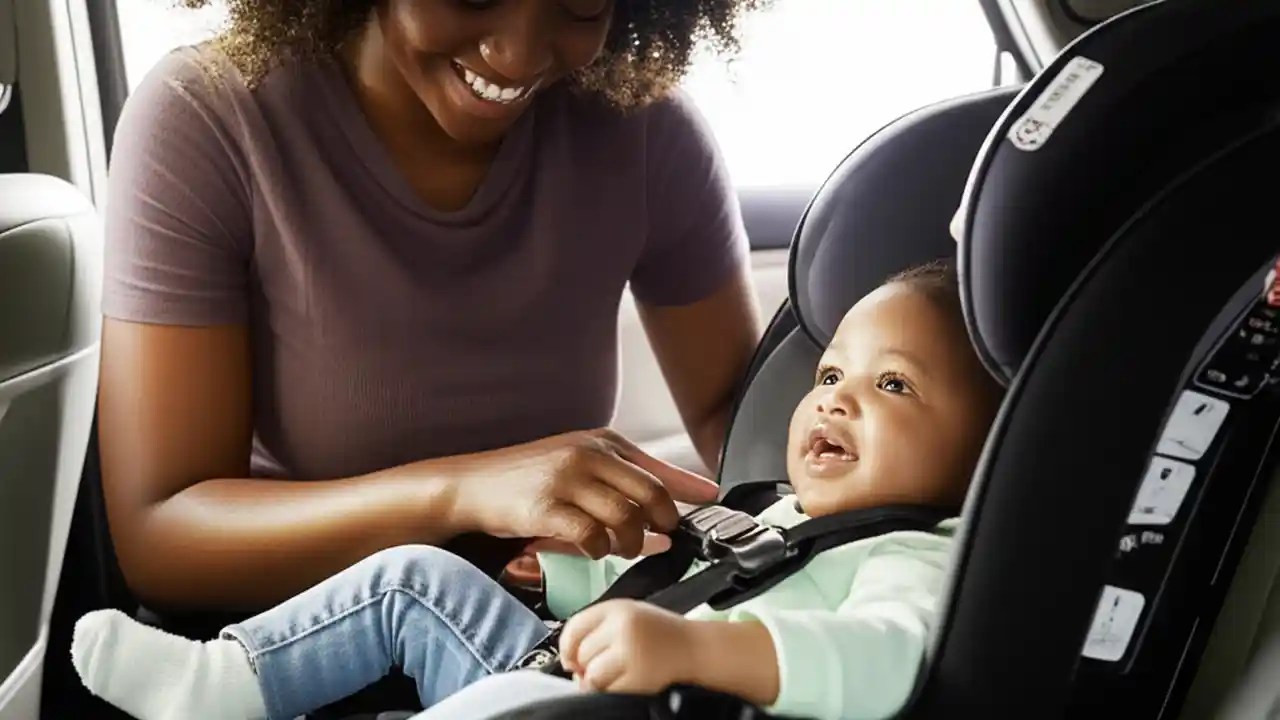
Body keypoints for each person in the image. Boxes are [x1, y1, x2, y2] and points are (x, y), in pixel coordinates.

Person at [73, 260, 1005, 720]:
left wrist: (692, 650)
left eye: (891, 386)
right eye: (829, 375)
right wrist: (570, 584)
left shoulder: (918, 556)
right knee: (411, 578)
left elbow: (885, 663)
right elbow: (675, 588)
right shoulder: (779, 516)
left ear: (987, 450)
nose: (835, 400)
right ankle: (226, 681)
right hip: (568, 679)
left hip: (648, 707)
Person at [99, 0, 766, 618]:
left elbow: (737, 425)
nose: (518, 55)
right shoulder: (211, 117)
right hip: (293, 649)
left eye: (579, 5)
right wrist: (466, 495)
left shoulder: (644, 130)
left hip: (542, 639)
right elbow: (162, 538)